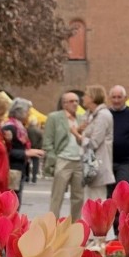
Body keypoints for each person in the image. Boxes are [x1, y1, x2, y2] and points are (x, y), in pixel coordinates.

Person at [44, 92, 85, 221]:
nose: (75, 104)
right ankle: (52, 226)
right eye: (71, 101)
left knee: (78, 197)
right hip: (62, 159)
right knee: (57, 196)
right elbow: (47, 141)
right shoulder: (54, 117)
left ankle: (76, 227)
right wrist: (54, 160)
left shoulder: (81, 118)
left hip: (79, 161)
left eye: (77, 101)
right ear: (64, 103)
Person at [1, 98, 43, 201]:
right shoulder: (10, 127)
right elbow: (5, 151)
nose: (29, 114)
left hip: (18, 168)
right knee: (12, 201)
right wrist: (25, 153)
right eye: (27, 111)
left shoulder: (20, 127)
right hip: (12, 169)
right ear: (20, 112)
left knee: (15, 199)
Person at [82, 85, 115, 198]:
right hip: (91, 165)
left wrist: (77, 135)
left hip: (97, 165)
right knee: (89, 201)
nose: (83, 98)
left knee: (97, 201)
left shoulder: (103, 115)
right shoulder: (90, 115)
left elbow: (94, 142)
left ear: (92, 97)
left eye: (86, 95)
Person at [26, 115, 44, 183]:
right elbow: (41, 140)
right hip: (36, 148)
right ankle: (34, 178)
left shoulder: (27, 130)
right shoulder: (38, 131)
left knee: (27, 163)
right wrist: (39, 147)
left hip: (28, 148)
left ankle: (27, 177)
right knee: (35, 164)